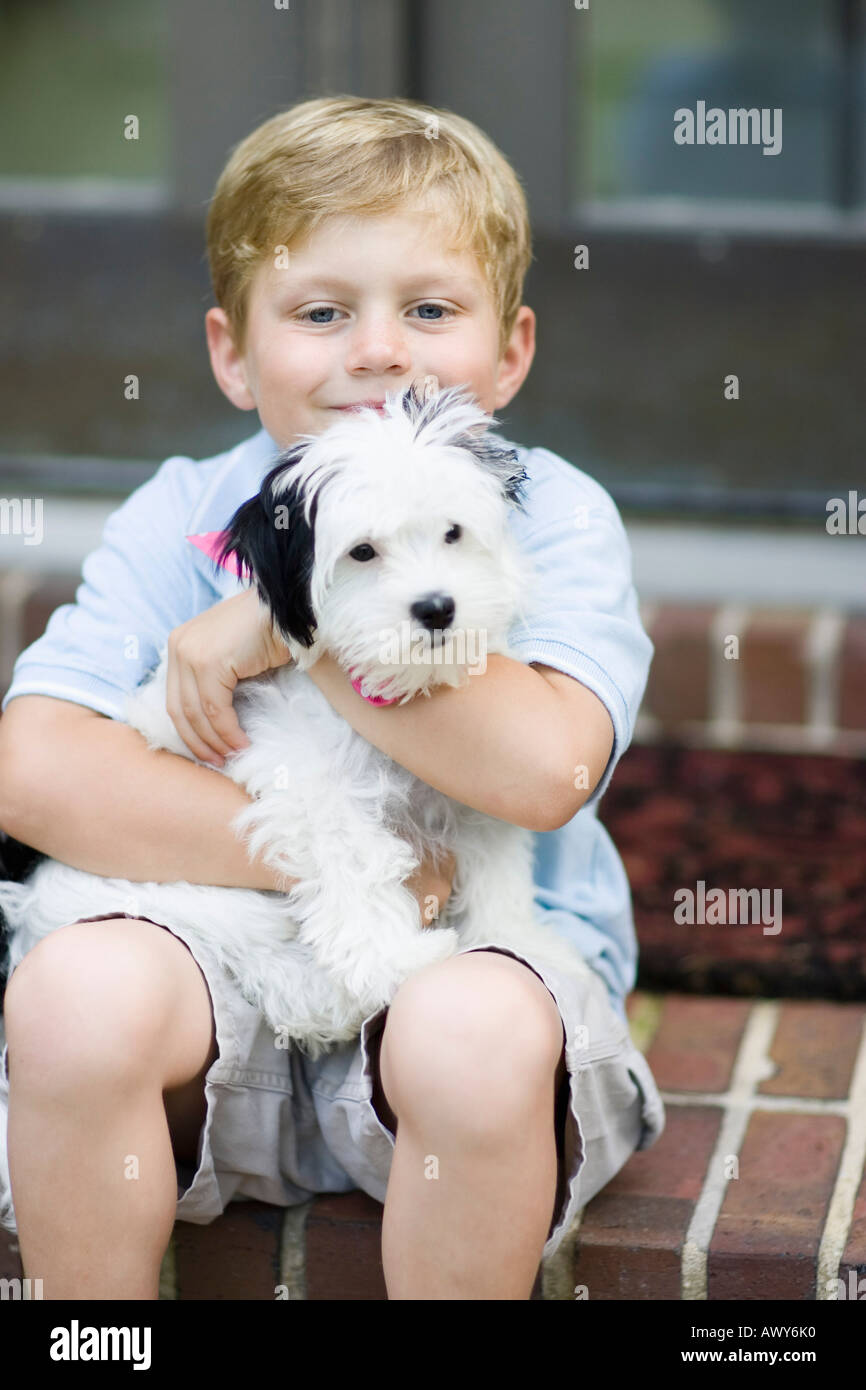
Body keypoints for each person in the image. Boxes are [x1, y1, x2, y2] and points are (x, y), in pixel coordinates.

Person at [0, 95, 664, 1301]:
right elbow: (32, 773)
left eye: (427, 308)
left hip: (476, 975)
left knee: (468, 1034)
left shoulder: (548, 511)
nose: (377, 350)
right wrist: (348, 867)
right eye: (320, 312)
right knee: (70, 995)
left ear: (509, 351)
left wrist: (294, 618)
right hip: (217, 981)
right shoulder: (181, 511)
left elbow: (544, 773)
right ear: (231, 352)